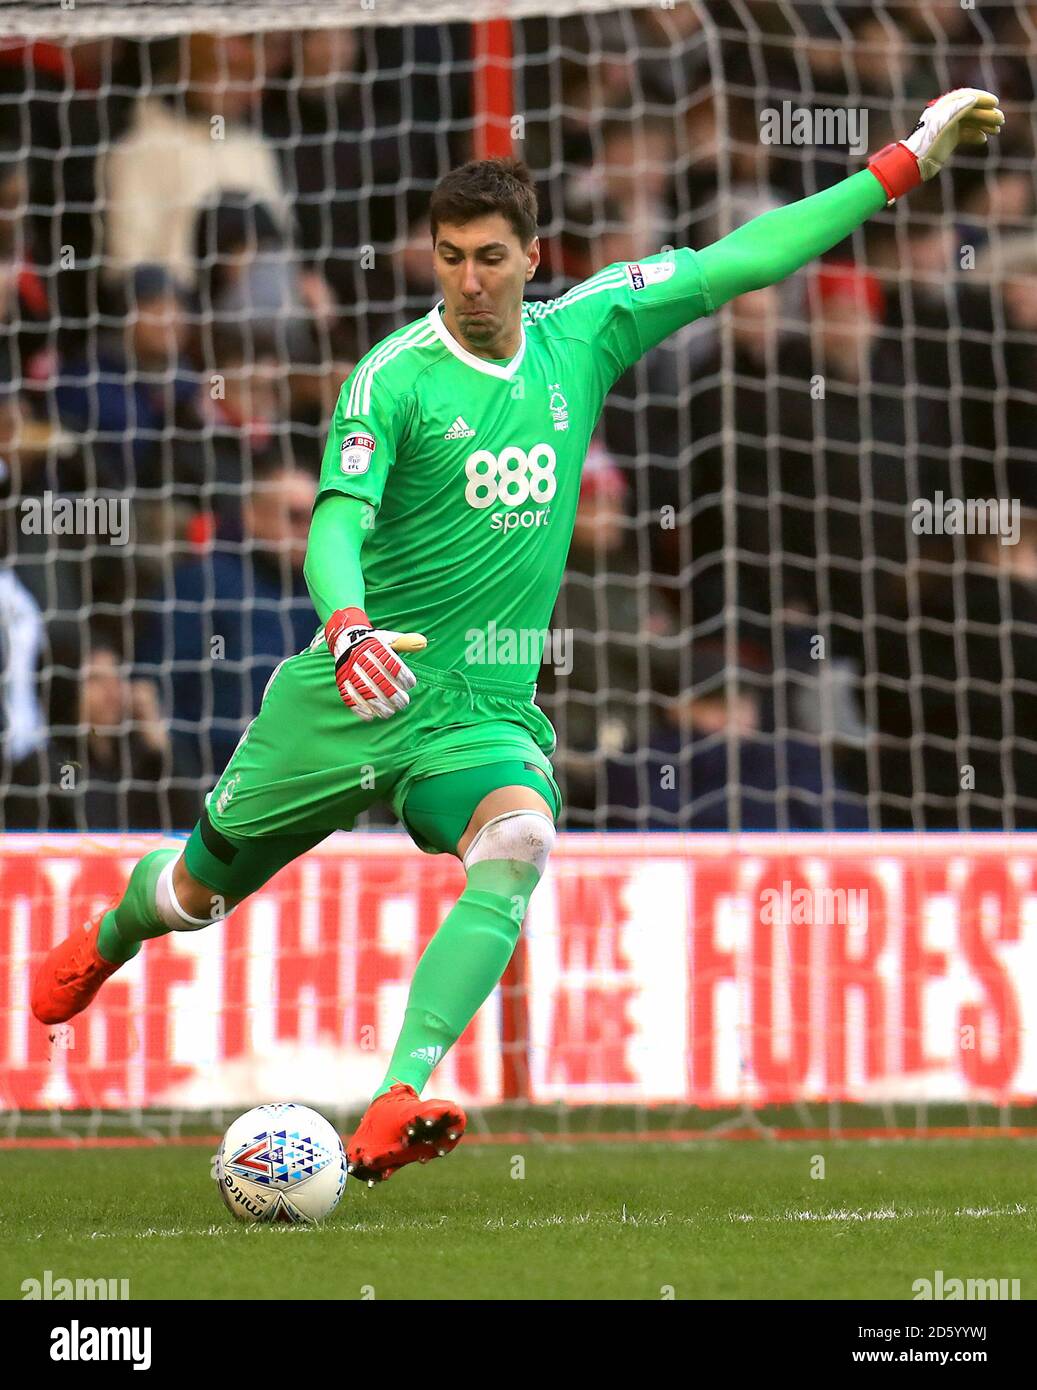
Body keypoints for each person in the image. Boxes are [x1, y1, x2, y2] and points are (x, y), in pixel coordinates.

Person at [32, 90, 1005, 1183]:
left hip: (478, 708)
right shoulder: (391, 377)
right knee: (195, 896)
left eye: (490, 256)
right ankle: (108, 934)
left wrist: (902, 163)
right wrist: (347, 627)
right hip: (354, 687)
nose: (470, 280)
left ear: (533, 256)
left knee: (519, 837)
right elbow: (335, 522)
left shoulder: (585, 331)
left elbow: (744, 258)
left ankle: (397, 1092)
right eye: (449, 257)